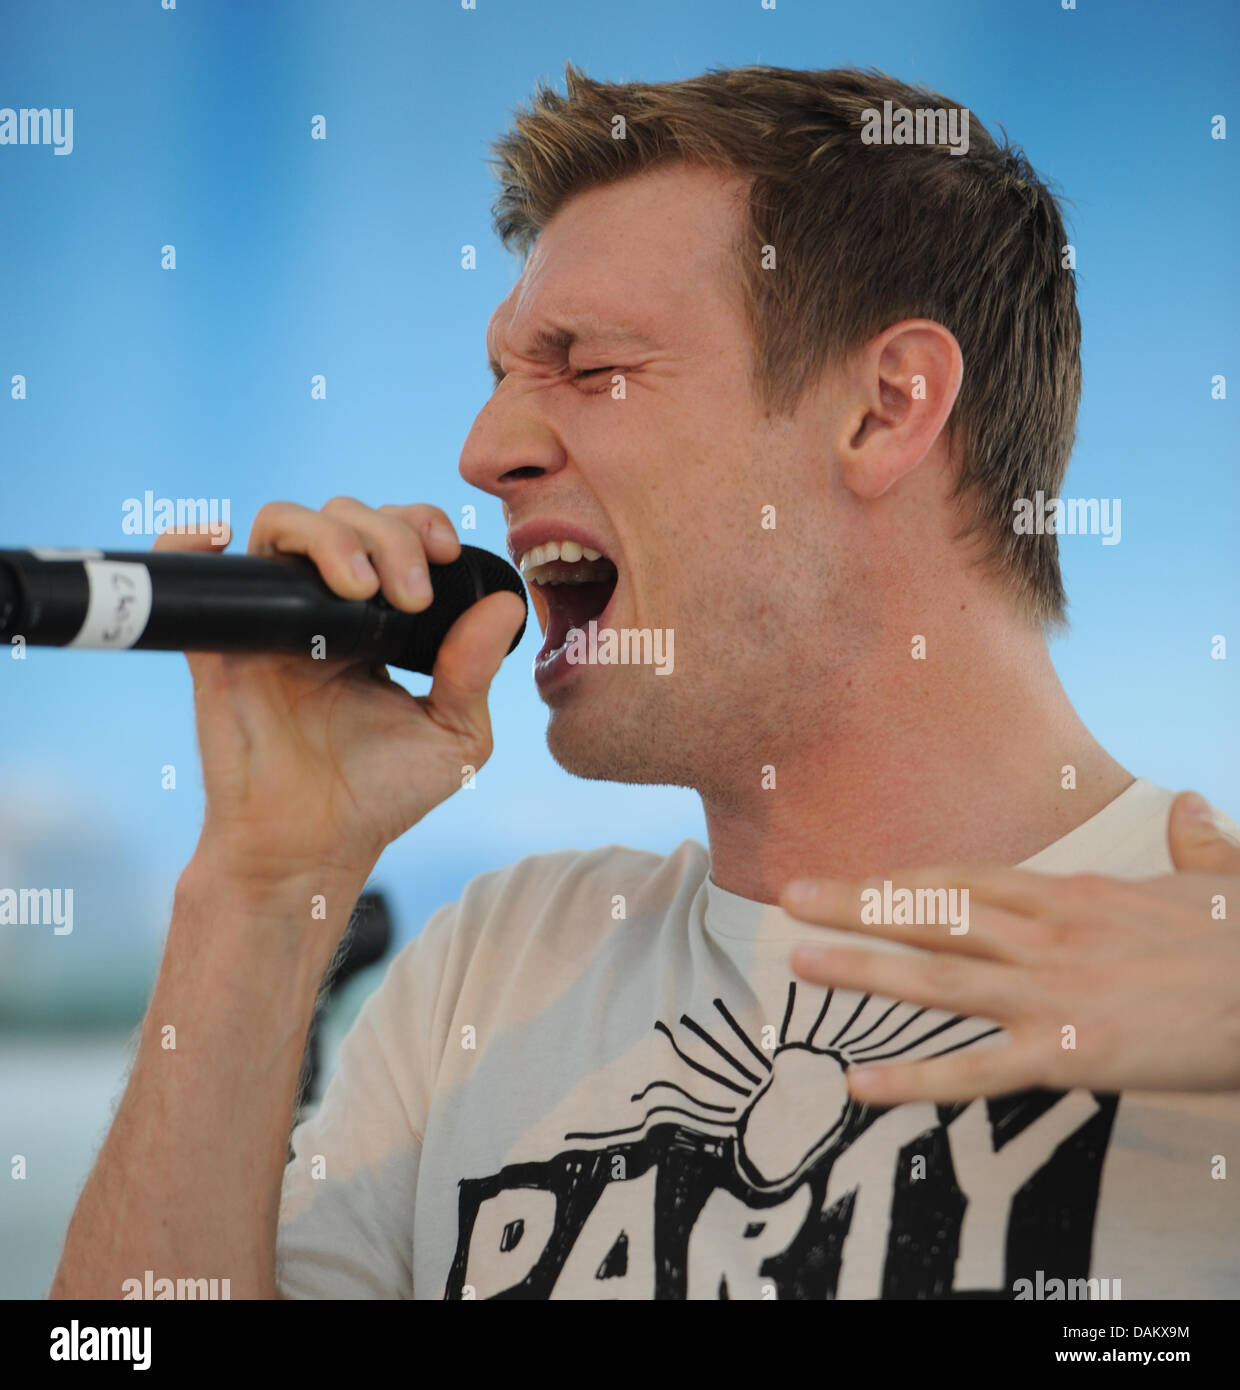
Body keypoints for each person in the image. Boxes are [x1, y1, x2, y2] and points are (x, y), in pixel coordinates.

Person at [51, 65, 1239, 1301]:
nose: (485, 449)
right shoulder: (490, 972)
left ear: (887, 411)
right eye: (506, 369)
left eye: (587, 365)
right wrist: (261, 889)